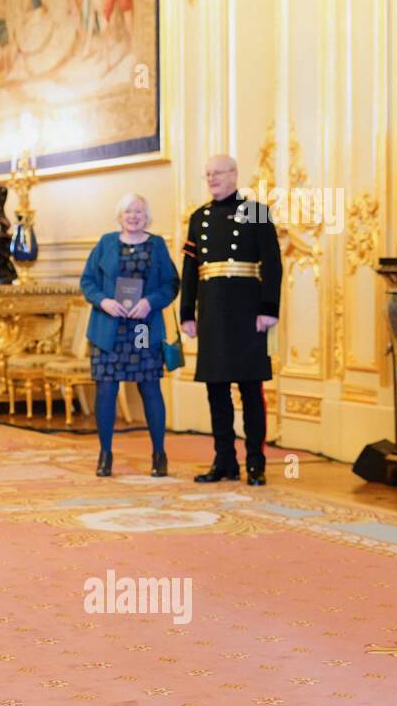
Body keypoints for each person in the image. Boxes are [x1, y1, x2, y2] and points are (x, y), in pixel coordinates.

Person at [180, 154, 282, 486]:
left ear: (235, 174)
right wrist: (187, 313)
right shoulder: (199, 217)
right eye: (207, 174)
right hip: (212, 311)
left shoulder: (255, 211)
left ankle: (256, 462)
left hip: (248, 312)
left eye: (218, 173)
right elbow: (190, 270)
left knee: (251, 390)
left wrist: (269, 309)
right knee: (216, 390)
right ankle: (224, 460)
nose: (212, 178)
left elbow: (272, 264)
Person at [79, 193, 180, 477]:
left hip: (141, 328)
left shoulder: (156, 245)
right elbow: (87, 281)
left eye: (138, 212)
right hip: (108, 329)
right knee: (107, 390)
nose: (133, 216)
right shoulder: (105, 243)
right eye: (128, 212)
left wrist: (149, 302)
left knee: (149, 387)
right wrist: (103, 301)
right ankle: (105, 454)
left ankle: (159, 454)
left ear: (146, 217)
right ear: (119, 216)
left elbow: (171, 284)